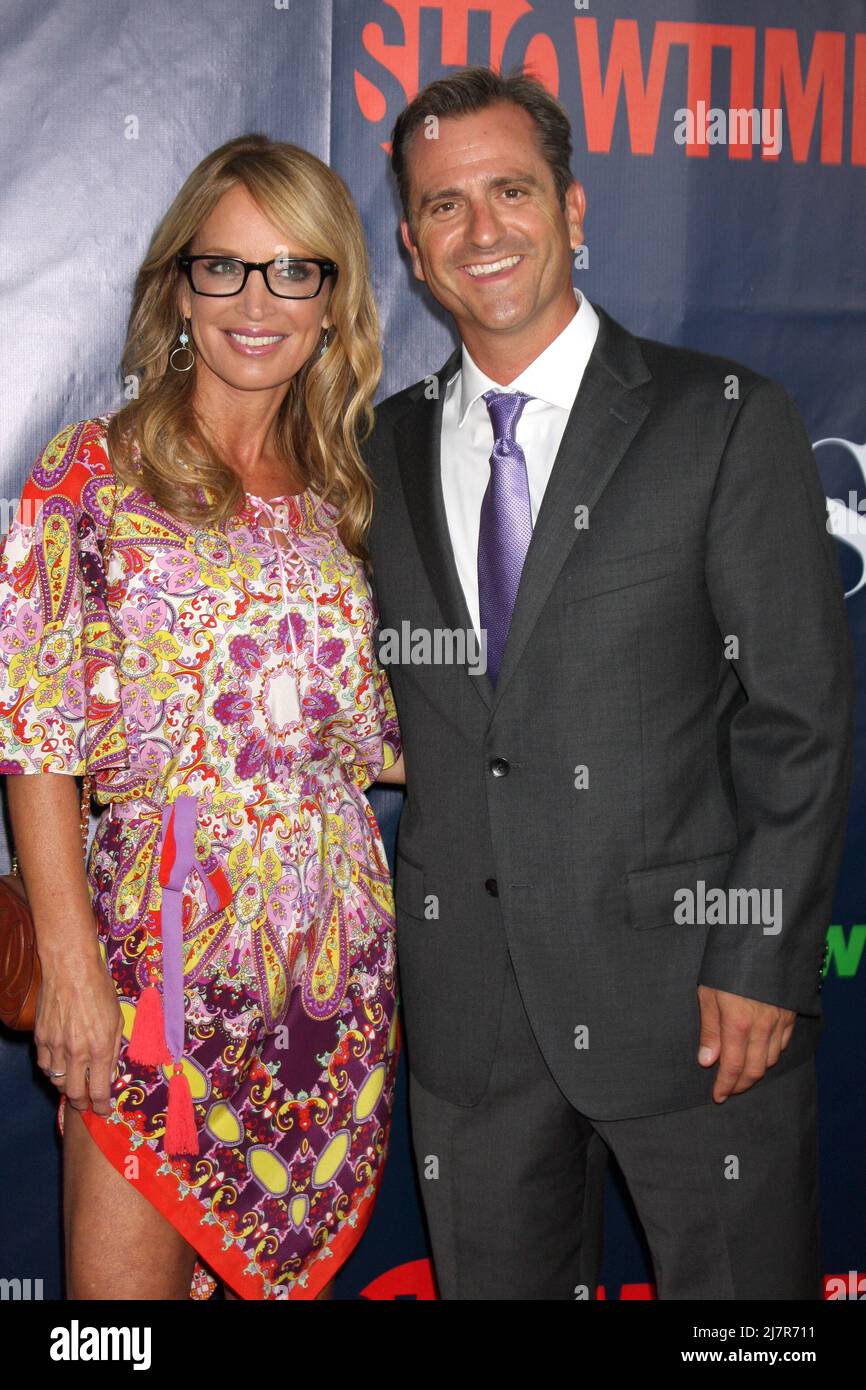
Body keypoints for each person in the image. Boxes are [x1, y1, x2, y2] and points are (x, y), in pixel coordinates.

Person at [363, 66, 855, 1299]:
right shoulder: (379, 447)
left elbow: (797, 721)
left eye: (511, 191)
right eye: (442, 206)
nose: (482, 231)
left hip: (697, 1007)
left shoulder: (722, 416)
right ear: (414, 249)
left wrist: (755, 956)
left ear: (573, 209)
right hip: (469, 1015)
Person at [0, 132, 404, 1300]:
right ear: (179, 288)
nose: (257, 301)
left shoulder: (347, 497)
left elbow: (376, 733)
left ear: (334, 301)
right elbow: (35, 730)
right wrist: (72, 962)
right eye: (223, 267)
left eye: (294, 270)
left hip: (324, 996)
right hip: (151, 984)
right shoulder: (86, 477)